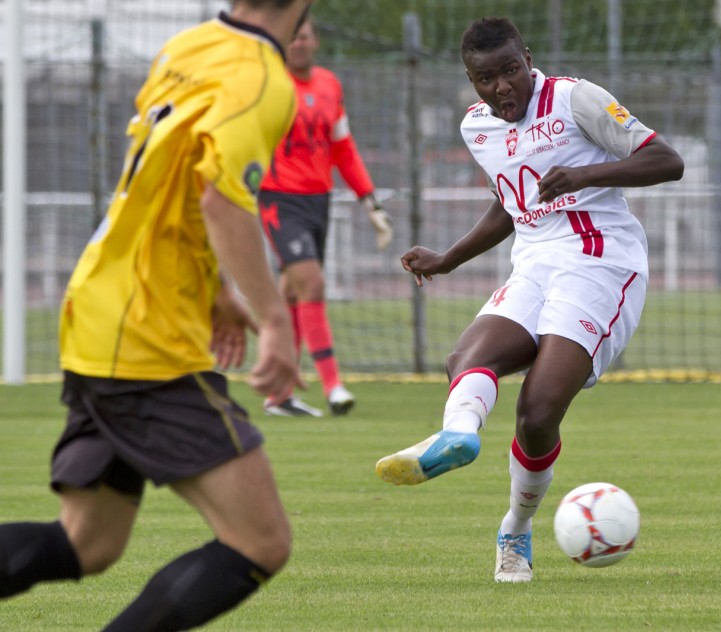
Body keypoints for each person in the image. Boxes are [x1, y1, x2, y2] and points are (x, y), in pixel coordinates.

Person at [0, 2, 312, 629]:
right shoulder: (262, 80)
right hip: (146, 329)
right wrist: (274, 320)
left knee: (89, 541)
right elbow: (221, 201)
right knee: (259, 542)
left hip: (98, 305)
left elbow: (170, 183)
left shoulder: (190, 45)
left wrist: (217, 287)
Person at [375, 17, 684, 583]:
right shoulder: (477, 128)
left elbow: (667, 161)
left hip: (600, 262)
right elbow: (509, 202)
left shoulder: (575, 100)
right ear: (471, 80)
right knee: (465, 358)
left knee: (538, 411)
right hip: (536, 261)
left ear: (528, 59)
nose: (502, 88)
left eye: (510, 71)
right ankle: (459, 436)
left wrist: (586, 174)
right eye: (485, 78)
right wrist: (448, 258)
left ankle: (515, 526)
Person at [258, 16, 393, 418]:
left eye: (305, 36)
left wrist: (370, 202)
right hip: (278, 199)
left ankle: (279, 395)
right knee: (312, 284)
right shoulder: (267, 84)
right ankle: (333, 386)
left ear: (316, 41)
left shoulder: (330, 85)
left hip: (318, 201)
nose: (298, 43)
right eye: (292, 36)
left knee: (292, 294)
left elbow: (343, 148)